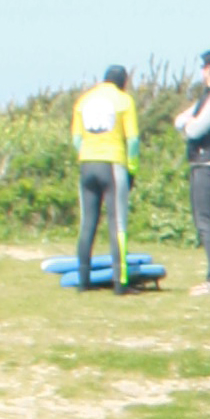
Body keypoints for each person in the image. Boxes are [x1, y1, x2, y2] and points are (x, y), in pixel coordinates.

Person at [70, 65, 139, 293]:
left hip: (87, 164)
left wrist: (87, 154)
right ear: (123, 82)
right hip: (112, 165)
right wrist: (131, 169)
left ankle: (82, 281)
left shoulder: (84, 100)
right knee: (117, 224)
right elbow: (133, 141)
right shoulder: (124, 101)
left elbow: (77, 139)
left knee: (87, 222)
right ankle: (120, 283)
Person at [174, 48, 210, 296]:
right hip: (200, 163)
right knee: (202, 221)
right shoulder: (208, 95)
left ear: (209, 69)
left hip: (209, 163)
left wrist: (189, 125)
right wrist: (189, 124)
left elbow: (195, 129)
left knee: (205, 222)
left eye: (203, 66)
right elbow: (180, 120)